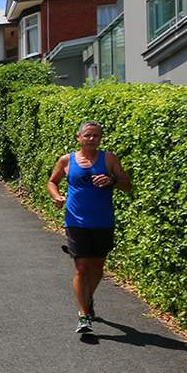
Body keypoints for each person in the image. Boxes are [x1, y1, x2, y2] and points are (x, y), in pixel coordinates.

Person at [47, 121, 131, 336]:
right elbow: (52, 182)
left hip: (103, 221)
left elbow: (127, 185)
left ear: (100, 138)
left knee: (97, 268)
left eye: (96, 136)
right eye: (88, 135)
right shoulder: (67, 160)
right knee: (82, 268)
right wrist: (56, 196)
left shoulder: (109, 159)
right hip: (75, 221)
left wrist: (111, 180)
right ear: (79, 138)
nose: (92, 139)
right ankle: (84, 315)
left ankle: (88, 297)